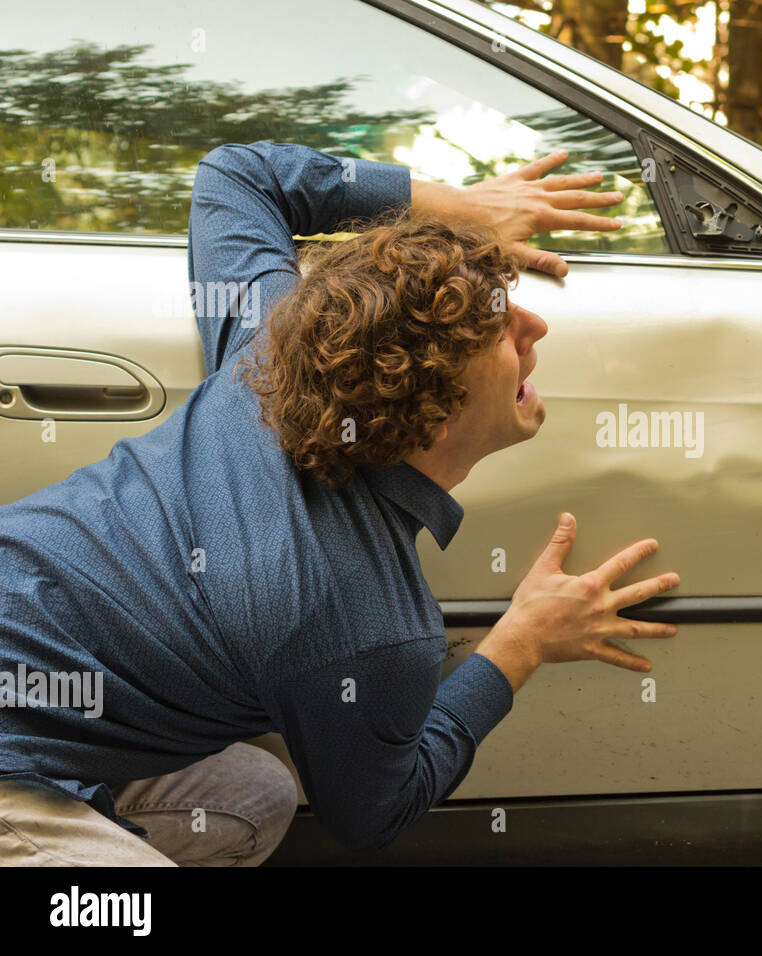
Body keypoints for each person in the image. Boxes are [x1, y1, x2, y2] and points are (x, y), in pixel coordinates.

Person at [0, 141, 680, 865]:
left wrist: (463, 206)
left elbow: (236, 174)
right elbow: (372, 815)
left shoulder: (267, 354)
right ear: (434, 412)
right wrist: (519, 645)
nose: (535, 327)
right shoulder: (369, 628)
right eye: (499, 330)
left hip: (35, 725)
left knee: (251, 798)